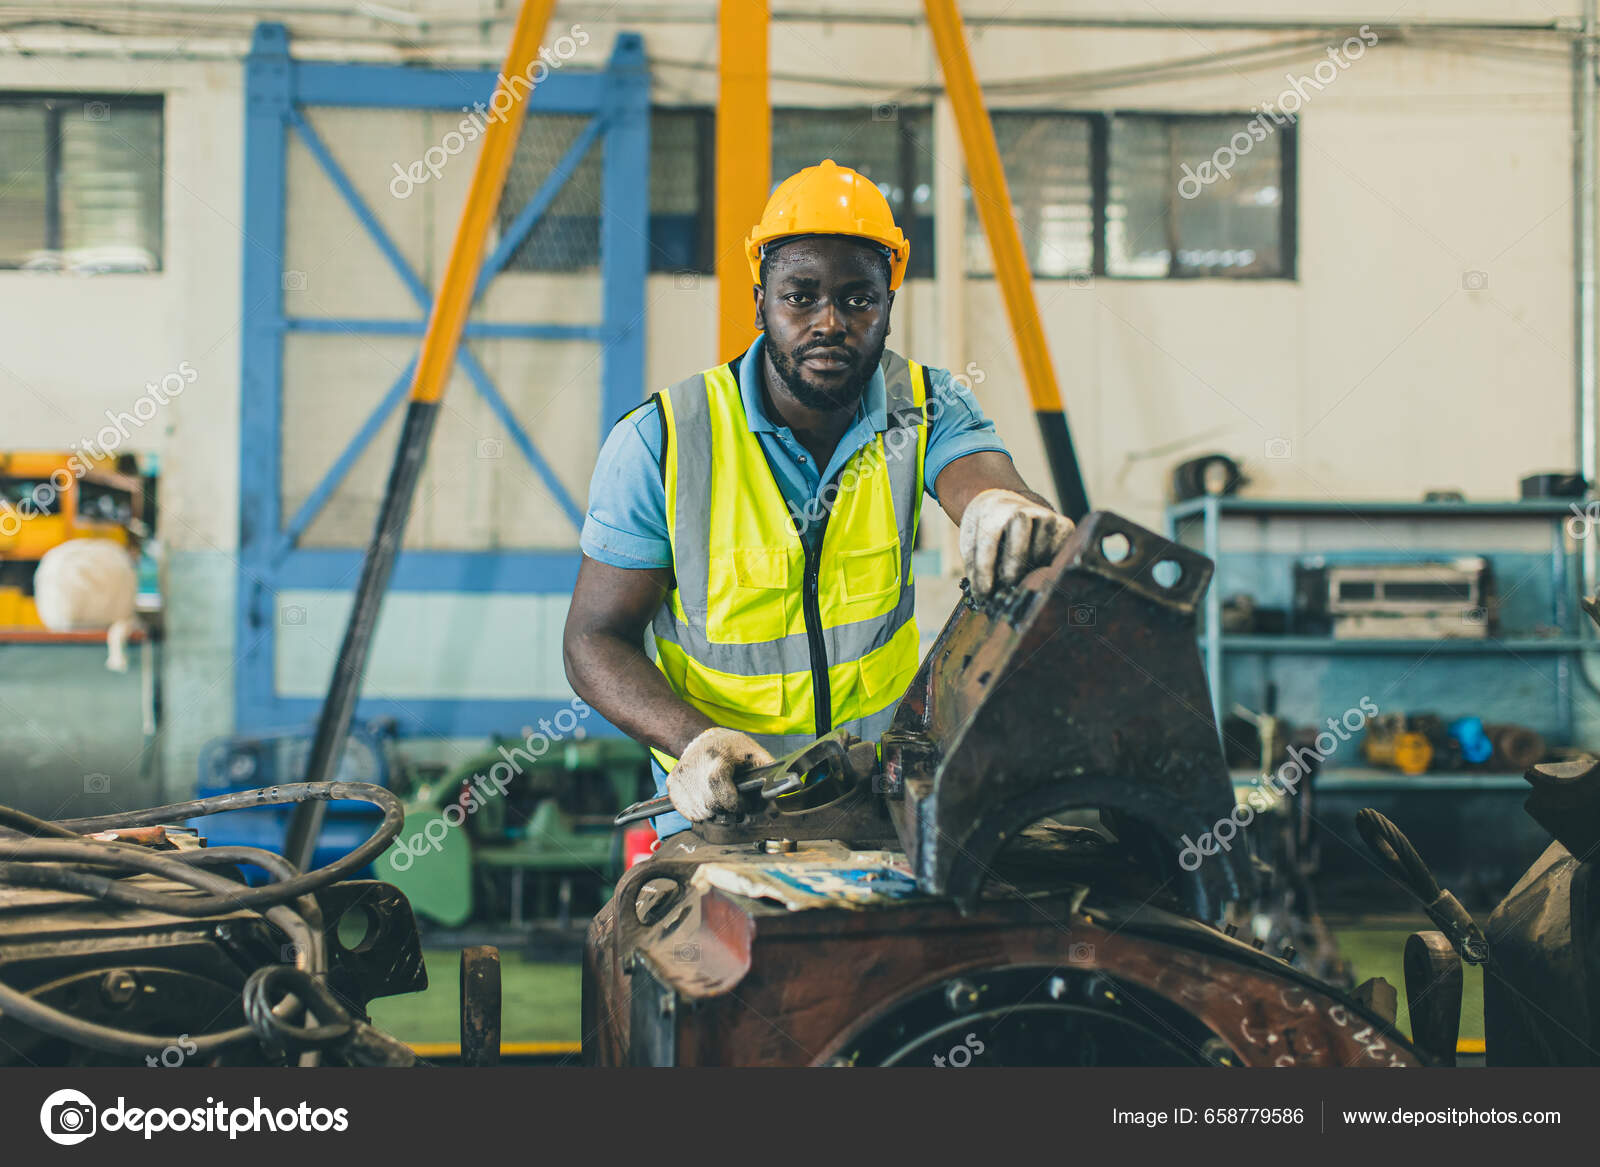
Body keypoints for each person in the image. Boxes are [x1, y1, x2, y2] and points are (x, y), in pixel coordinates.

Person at [563, 159, 1074, 837]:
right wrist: (695, 741)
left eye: (858, 298)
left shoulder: (924, 406)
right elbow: (593, 639)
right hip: (728, 809)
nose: (829, 321)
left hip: (881, 801)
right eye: (800, 296)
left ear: (888, 306)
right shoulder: (663, 442)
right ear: (760, 303)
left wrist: (1005, 509)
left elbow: (987, 482)